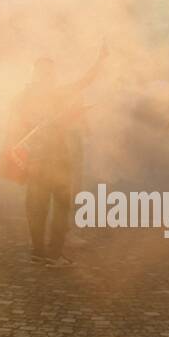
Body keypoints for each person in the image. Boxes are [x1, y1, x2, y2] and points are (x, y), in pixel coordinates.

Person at [11, 42, 108, 266]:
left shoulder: (24, 96)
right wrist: (100, 61)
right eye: (49, 72)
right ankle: (53, 254)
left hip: (37, 159)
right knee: (60, 205)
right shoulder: (52, 94)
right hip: (54, 158)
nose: (52, 76)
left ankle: (38, 251)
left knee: (37, 206)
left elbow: (15, 128)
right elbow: (86, 81)